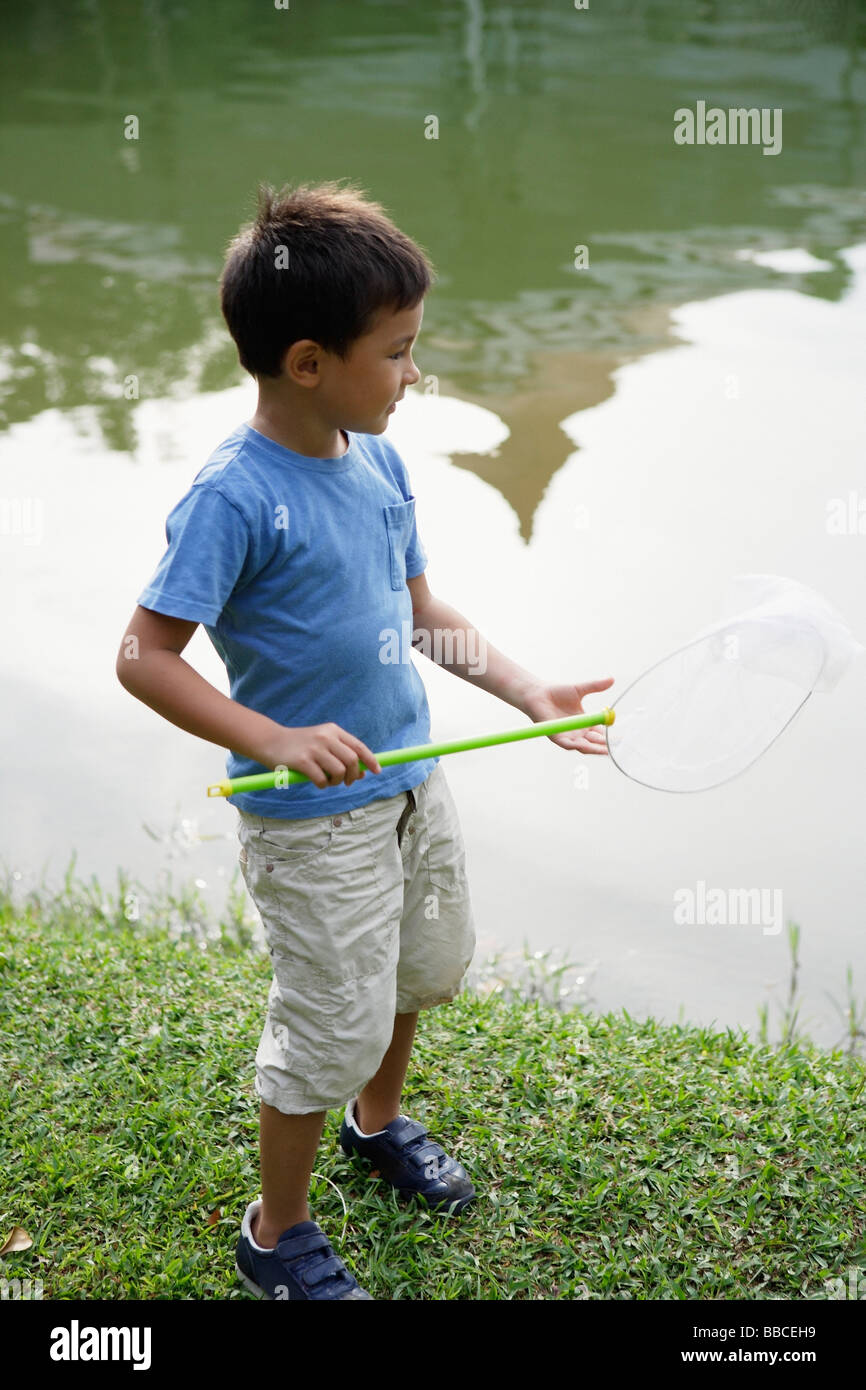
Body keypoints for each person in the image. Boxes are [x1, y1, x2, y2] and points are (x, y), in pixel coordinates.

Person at [116, 181, 613, 1301]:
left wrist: (526, 687)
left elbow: (422, 612)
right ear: (307, 361)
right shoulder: (231, 499)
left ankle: (374, 1121)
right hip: (311, 820)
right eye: (394, 353)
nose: (412, 373)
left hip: (410, 783)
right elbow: (143, 655)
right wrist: (272, 736)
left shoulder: (379, 463)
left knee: (416, 970)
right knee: (326, 1019)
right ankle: (273, 1230)